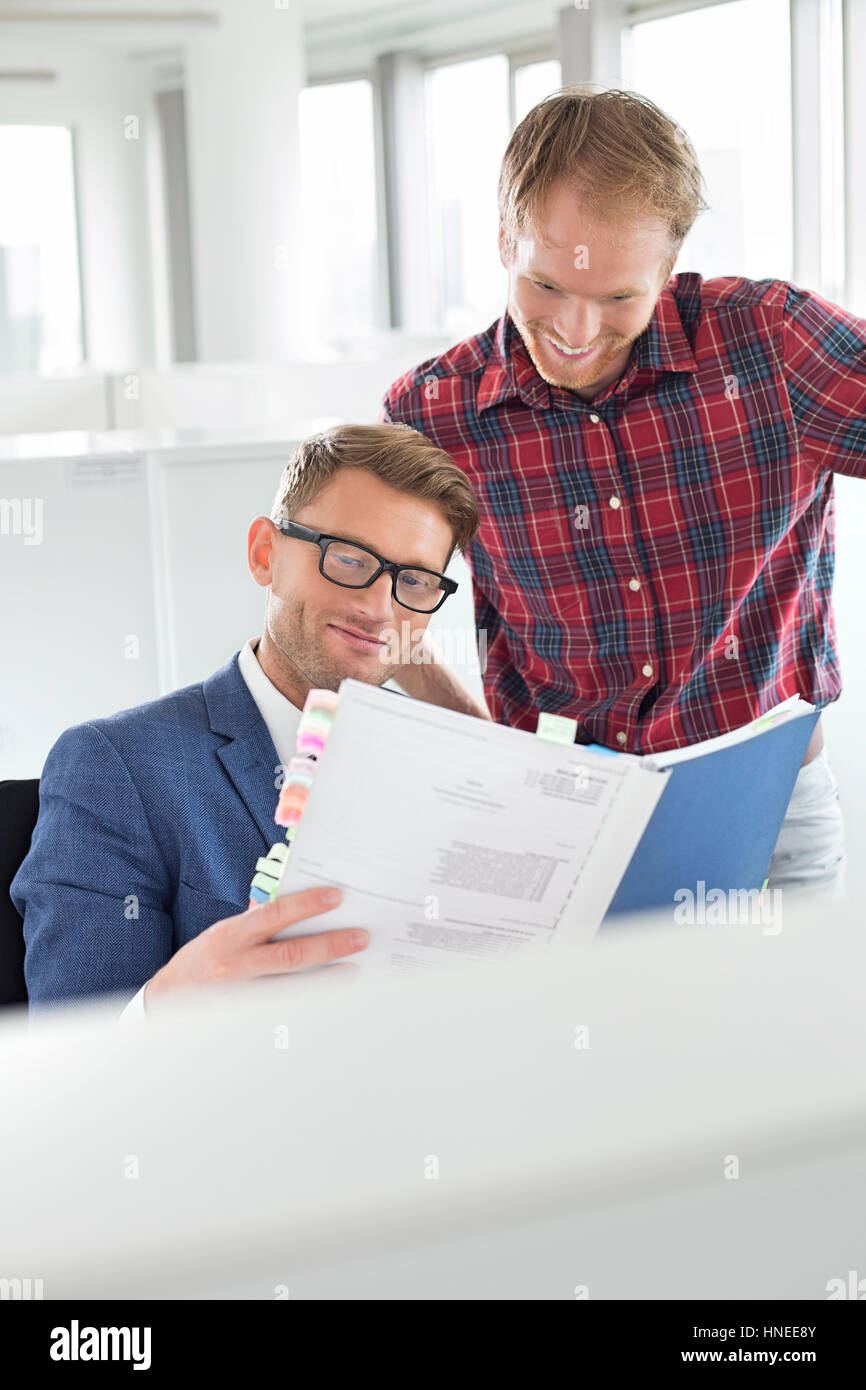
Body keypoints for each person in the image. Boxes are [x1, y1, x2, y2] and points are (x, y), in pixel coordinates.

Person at [381, 85, 864, 899]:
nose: (574, 331)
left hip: (769, 820)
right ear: (504, 240)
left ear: (669, 268)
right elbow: (381, 612)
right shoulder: (434, 411)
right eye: (545, 286)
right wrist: (479, 739)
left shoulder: (773, 343)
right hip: (558, 827)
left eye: (617, 297)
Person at [12, 423, 480, 1013]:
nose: (377, 608)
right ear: (266, 554)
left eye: (412, 580)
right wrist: (170, 1004)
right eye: (350, 558)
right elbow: (75, 1060)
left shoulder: (448, 765)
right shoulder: (115, 768)